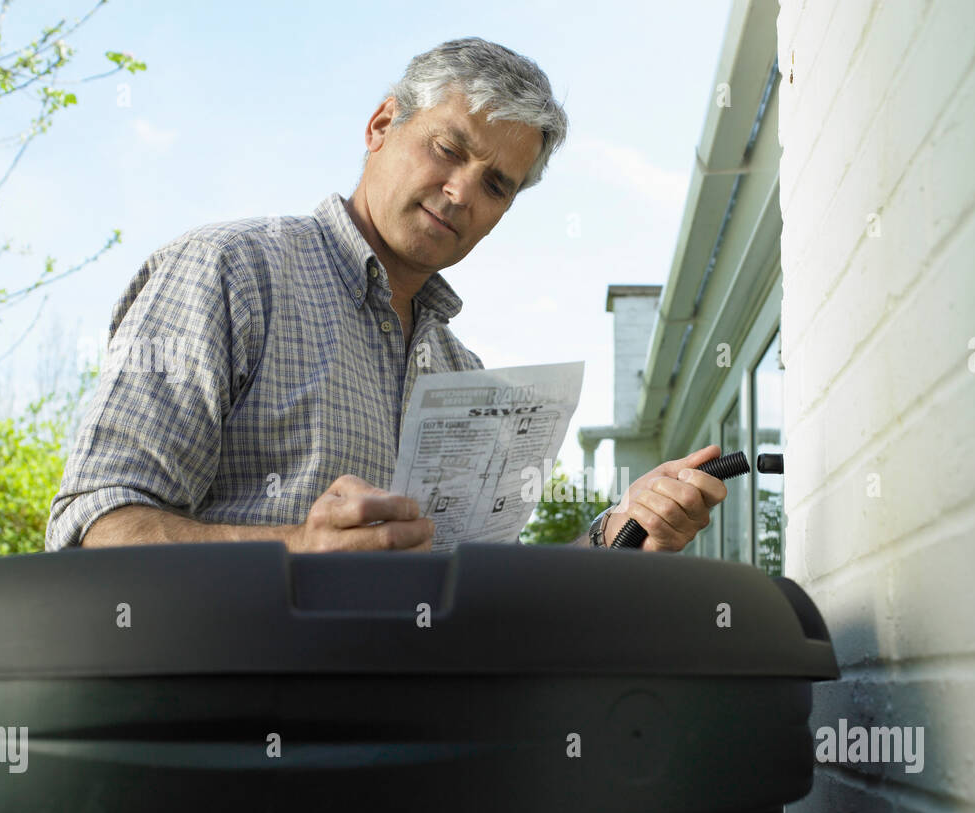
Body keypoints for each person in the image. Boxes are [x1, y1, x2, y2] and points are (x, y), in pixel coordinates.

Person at [45, 37, 726, 555]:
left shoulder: (465, 374)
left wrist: (619, 531)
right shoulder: (227, 272)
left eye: (496, 185)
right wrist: (296, 547)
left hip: (421, 726)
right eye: (448, 149)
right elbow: (94, 525)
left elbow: (482, 596)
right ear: (379, 127)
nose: (461, 191)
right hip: (230, 724)